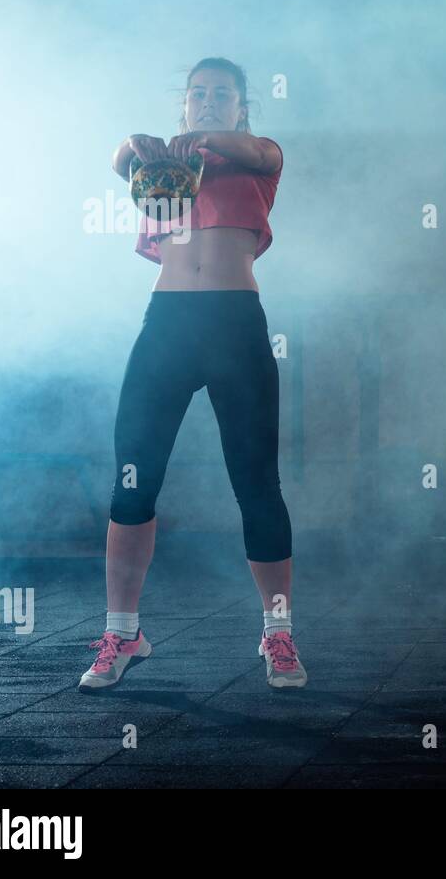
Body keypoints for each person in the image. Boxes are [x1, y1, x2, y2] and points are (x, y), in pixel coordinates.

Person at [80, 57, 305, 691]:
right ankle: (122, 632)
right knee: (133, 478)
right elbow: (121, 158)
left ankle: (278, 634)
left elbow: (253, 150)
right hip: (169, 324)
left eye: (222, 95)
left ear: (241, 106)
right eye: (198, 95)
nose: (208, 102)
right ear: (183, 105)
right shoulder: (163, 167)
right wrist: (134, 142)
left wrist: (208, 138)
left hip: (235, 323)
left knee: (257, 483)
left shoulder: (258, 153)